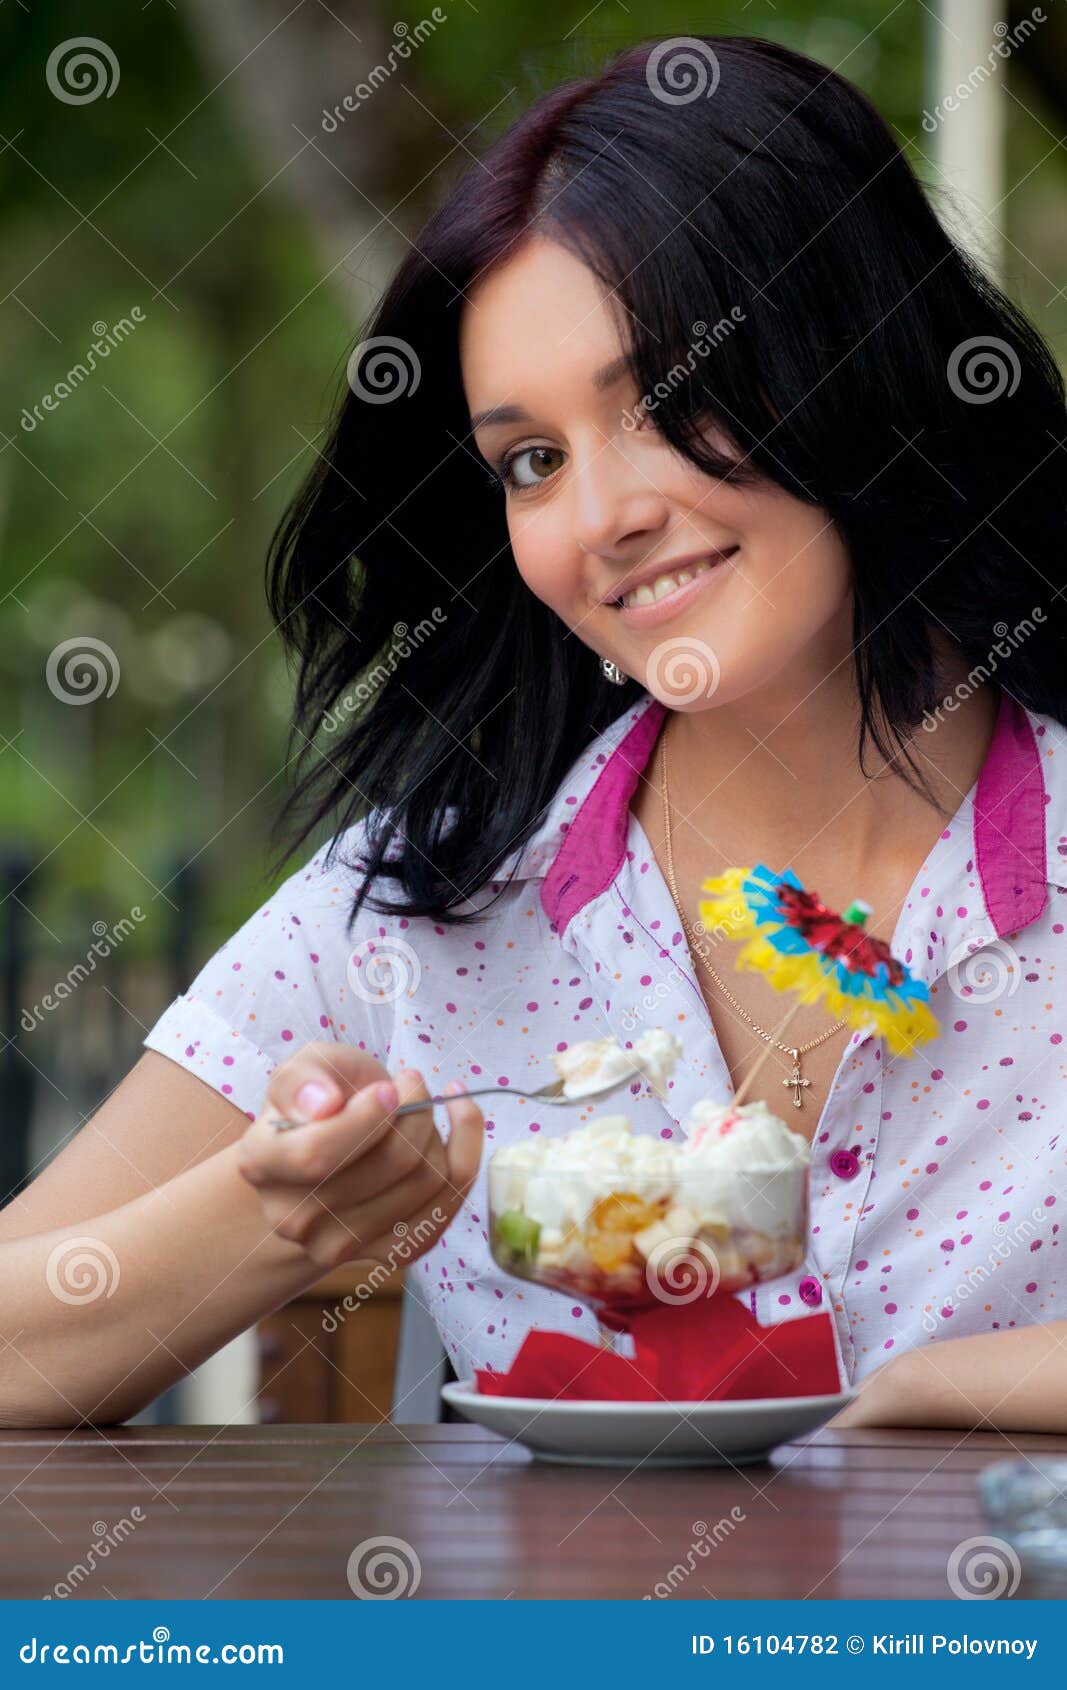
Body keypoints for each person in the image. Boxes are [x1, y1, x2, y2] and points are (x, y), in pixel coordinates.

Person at [2, 35, 1064, 1432]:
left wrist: (934, 1393)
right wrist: (278, 1216)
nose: (602, 515)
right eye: (534, 460)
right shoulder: (427, 901)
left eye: (669, 397)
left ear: (852, 358)